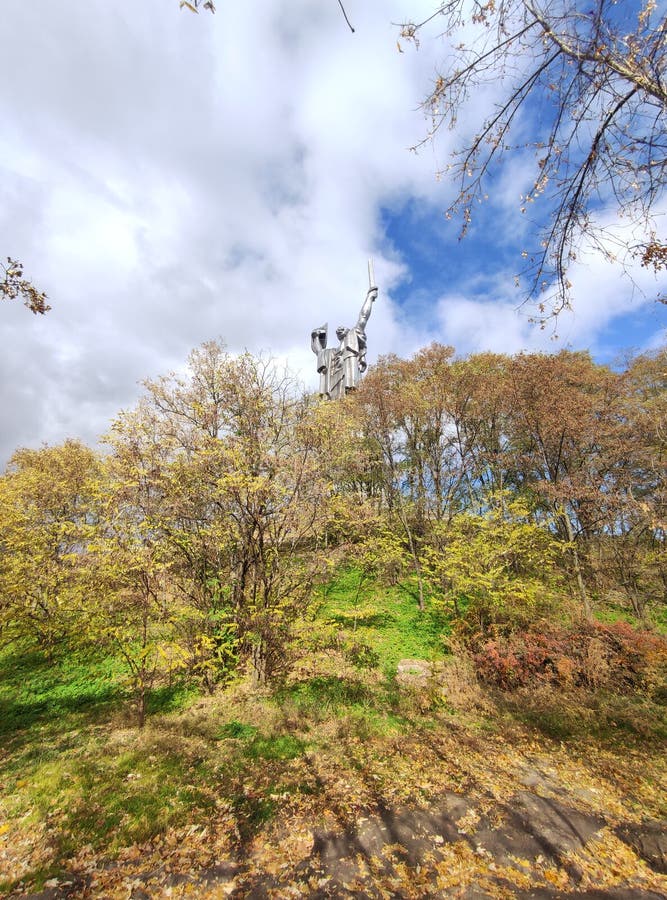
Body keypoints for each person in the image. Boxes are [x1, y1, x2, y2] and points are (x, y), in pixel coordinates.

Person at [311, 283, 378, 399]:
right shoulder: (330, 353)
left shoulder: (353, 336)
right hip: (332, 386)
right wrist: (315, 337)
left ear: (348, 331)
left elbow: (363, 317)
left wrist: (370, 298)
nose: (339, 329)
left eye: (343, 328)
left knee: (349, 402)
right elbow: (319, 352)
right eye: (338, 329)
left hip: (348, 379)